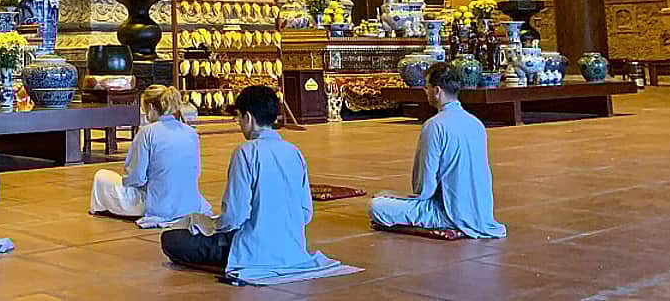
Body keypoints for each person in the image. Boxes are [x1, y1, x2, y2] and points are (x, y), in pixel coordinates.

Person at [160, 86, 354, 285]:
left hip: (252, 251)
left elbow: (234, 218)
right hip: (293, 250)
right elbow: (306, 213)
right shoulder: (294, 152)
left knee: (172, 239)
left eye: (238, 117)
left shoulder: (245, 153)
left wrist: (211, 226)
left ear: (248, 117)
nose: (238, 123)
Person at [369, 62, 507, 238]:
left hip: (450, 214)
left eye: (427, 87)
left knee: (377, 206)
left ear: (437, 91)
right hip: (481, 212)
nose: (426, 92)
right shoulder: (476, 123)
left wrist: (395, 197)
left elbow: (425, 187)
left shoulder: (434, 125)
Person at [90, 85, 211, 226]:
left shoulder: (147, 132)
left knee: (101, 176)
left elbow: (136, 178)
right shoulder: (191, 132)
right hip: (189, 202)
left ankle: (100, 208)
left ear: (152, 108)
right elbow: (196, 172)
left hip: (158, 204)